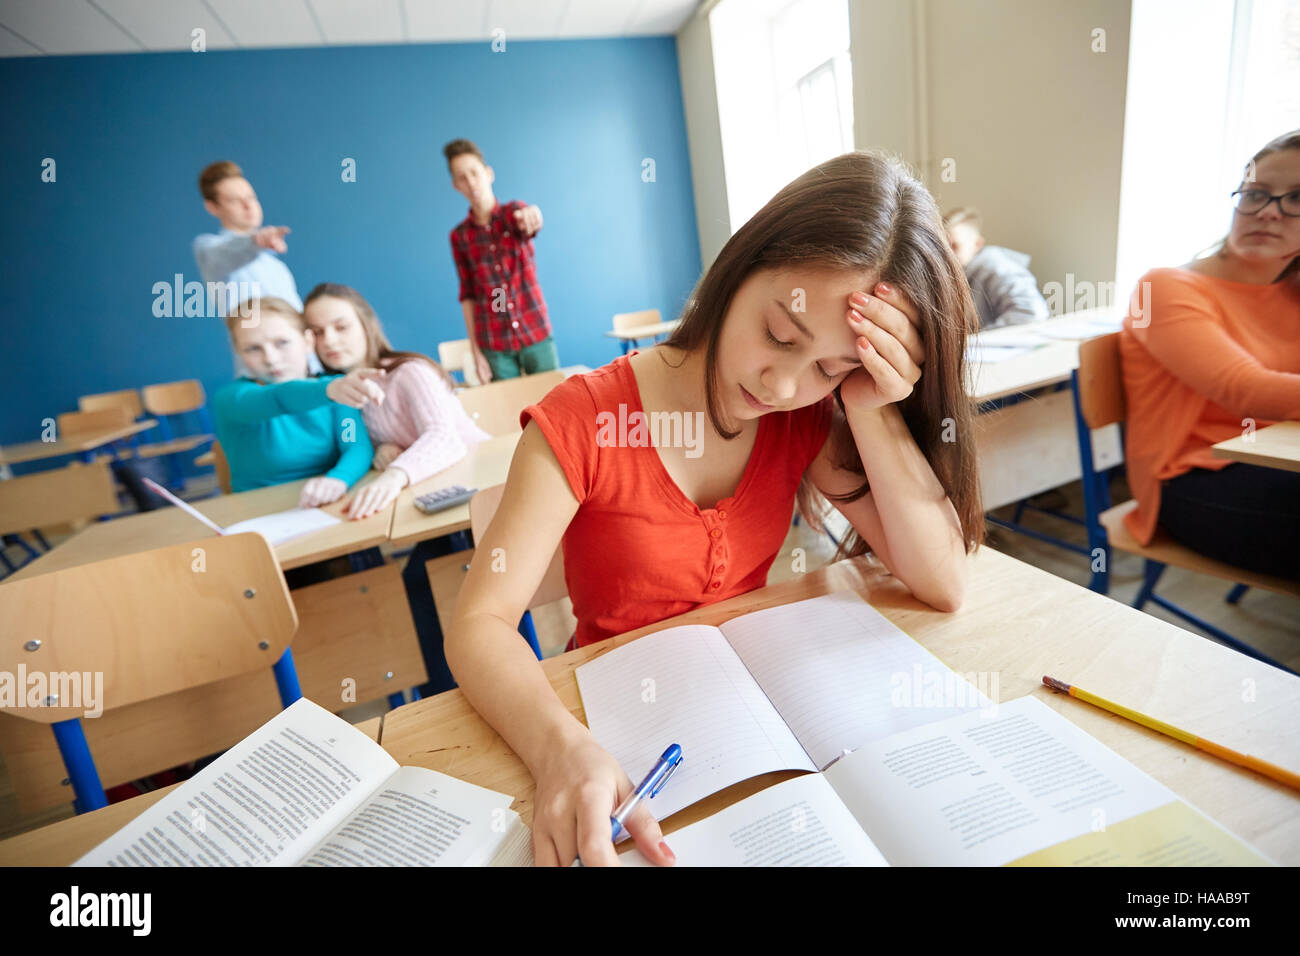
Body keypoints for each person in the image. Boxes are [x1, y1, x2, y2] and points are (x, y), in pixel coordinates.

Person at [446, 151, 984, 867]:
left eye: (831, 365)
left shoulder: (809, 415)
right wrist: (560, 751)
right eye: (780, 335)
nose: (784, 383)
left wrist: (869, 405)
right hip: (605, 737)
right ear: (740, 266)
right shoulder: (585, 419)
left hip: (752, 737)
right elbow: (479, 624)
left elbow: (943, 581)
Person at [1119, 131, 1300, 579]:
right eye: (1256, 194)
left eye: (1296, 198)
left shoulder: (1291, 289)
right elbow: (1245, 390)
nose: (1269, 212)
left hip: (1279, 456)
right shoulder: (1164, 287)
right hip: (1190, 475)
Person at [303, 282, 490, 695]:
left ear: (366, 325)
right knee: (409, 590)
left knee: (421, 589)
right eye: (316, 332)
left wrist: (394, 473)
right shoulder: (345, 392)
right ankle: (443, 693)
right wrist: (385, 449)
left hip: (484, 501)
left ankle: (448, 693)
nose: (329, 340)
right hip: (442, 507)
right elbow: (370, 440)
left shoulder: (409, 372)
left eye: (340, 326)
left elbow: (445, 438)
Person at [212, 297, 372, 503]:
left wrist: (338, 479)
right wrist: (329, 390)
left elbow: (353, 443)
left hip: (329, 505)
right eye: (253, 348)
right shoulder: (235, 400)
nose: (271, 358)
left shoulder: (337, 393)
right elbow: (277, 398)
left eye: (282, 343)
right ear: (238, 353)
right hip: (256, 513)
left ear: (307, 342)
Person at [446, 139, 560, 383]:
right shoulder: (460, 237)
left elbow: (530, 220)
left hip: (535, 332)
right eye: (462, 177)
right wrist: (476, 351)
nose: (471, 182)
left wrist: (534, 215)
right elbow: (468, 294)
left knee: (553, 407)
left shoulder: (514, 214)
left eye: (474, 173)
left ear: (488, 173)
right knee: (508, 414)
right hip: (494, 345)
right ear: (456, 185)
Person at [194, 161, 301, 316]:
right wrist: (256, 241)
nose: (248, 205)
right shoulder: (208, 249)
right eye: (234, 200)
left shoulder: (276, 267)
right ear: (212, 207)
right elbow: (227, 253)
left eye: (251, 197)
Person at [943, 207, 1049, 328]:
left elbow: (1031, 314)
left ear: (977, 244)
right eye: (942, 247)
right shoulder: (953, 276)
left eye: (955, 246)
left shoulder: (996, 269)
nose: (947, 255)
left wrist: (977, 341)